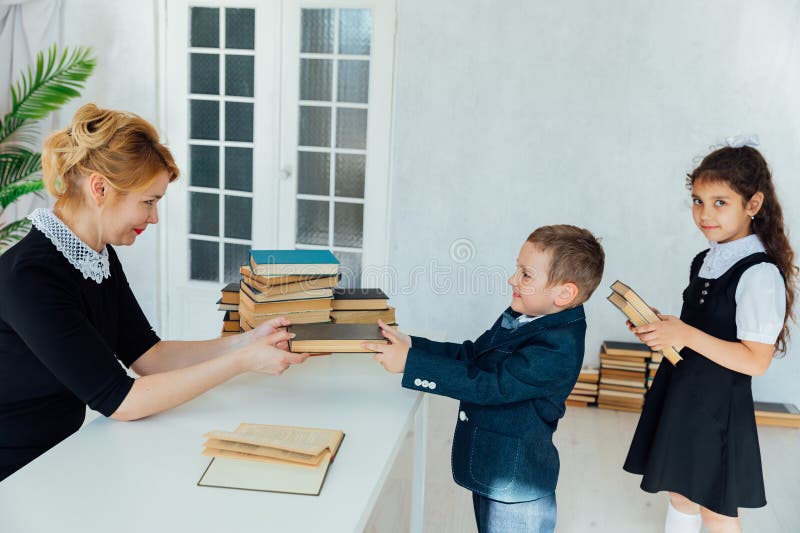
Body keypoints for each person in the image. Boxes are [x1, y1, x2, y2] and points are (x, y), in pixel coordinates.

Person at [0, 104, 308, 482]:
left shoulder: (95, 256)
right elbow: (121, 400)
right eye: (148, 201)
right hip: (14, 475)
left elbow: (149, 356)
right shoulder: (29, 276)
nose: (154, 217)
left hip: (62, 455)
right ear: (100, 188)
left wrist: (246, 343)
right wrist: (241, 362)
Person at [366, 225, 605, 533]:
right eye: (517, 269)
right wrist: (412, 345)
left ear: (564, 293)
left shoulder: (558, 346)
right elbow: (475, 357)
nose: (512, 279)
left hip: (516, 489)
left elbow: (490, 384)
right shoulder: (528, 317)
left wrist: (412, 365)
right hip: (493, 469)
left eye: (526, 274)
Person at [623, 141, 797, 533]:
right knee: (681, 493)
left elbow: (756, 360)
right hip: (684, 394)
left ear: (753, 205)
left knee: (717, 508)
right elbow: (699, 329)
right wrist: (661, 327)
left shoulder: (759, 274)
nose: (704, 214)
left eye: (720, 202)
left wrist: (683, 332)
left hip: (719, 408)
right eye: (698, 202)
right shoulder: (707, 259)